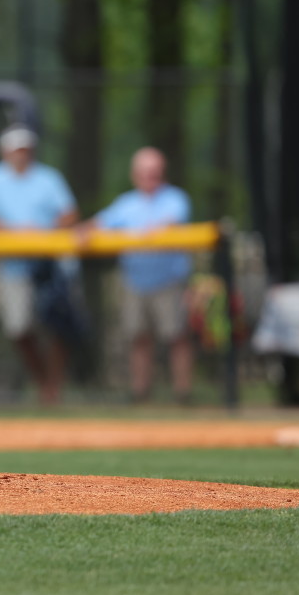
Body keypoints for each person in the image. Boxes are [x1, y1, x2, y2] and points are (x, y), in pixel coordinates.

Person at [0, 124, 80, 404]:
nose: (21, 155)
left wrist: (43, 235)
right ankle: (42, 379)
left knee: (57, 325)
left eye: (25, 150)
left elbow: (69, 214)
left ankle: (53, 387)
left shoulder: (49, 178)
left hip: (50, 266)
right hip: (13, 266)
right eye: (16, 150)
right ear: (5, 152)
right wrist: (14, 233)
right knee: (18, 327)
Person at [86, 147, 194, 403]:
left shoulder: (175, 198)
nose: (150, 176)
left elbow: (170, 223)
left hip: (169, 281)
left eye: (155, 172)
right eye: (145, 172)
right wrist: (79, 231)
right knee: (138, 338)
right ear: (135, 175)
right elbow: (99, 224)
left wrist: (145, 233)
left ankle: (183, 394)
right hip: (135, 281)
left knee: (177, 338)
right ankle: (140, 393)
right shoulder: (126, 204)